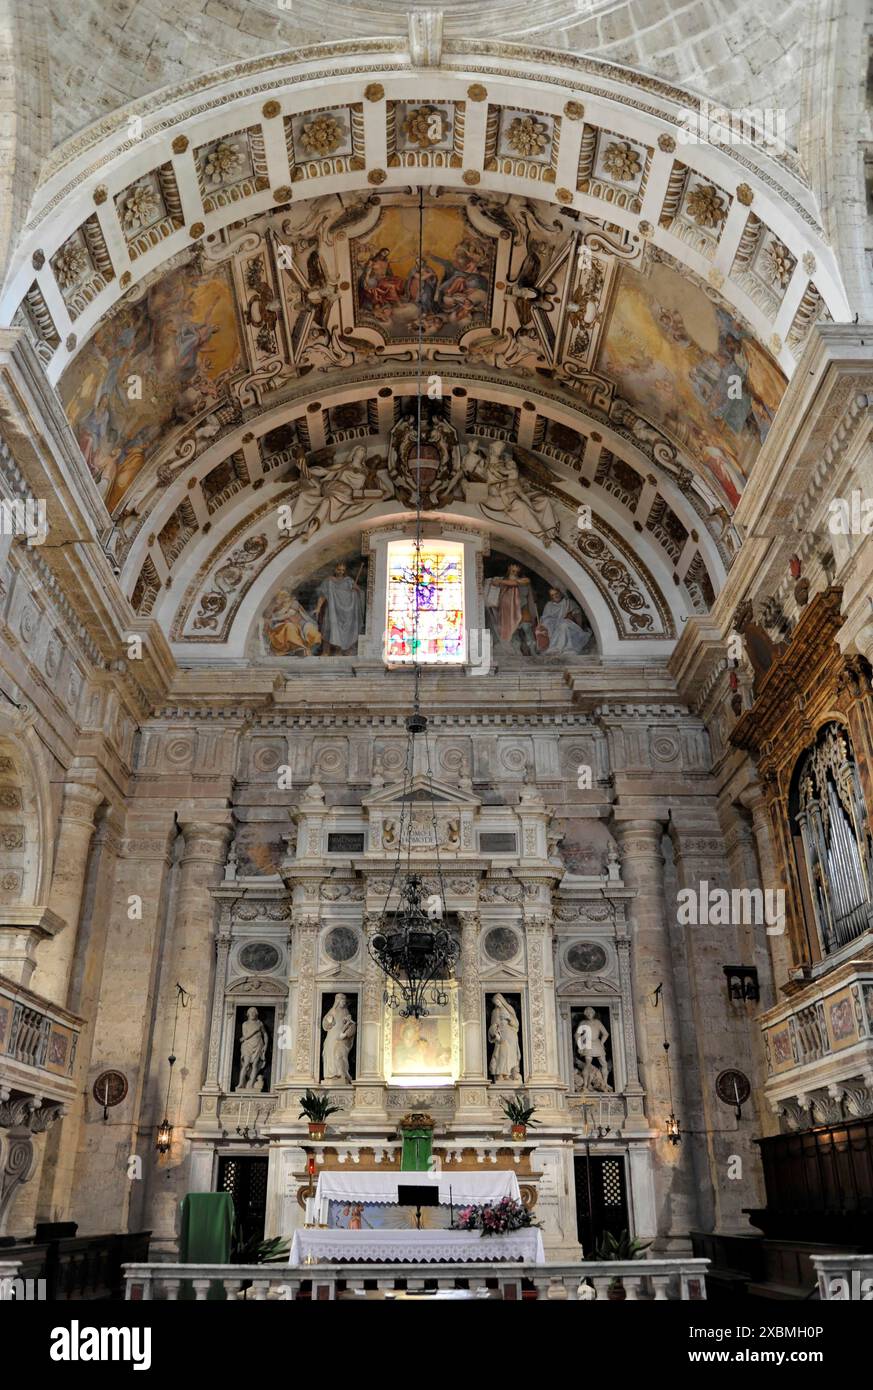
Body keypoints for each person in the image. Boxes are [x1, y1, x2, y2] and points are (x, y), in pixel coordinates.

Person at [485, 562, 538, 654]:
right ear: (509, 567)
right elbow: (493, 584)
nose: (515, 569)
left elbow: (516, 582)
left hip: (522, 607)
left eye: (517, 567)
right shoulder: (500, 580)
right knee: (511, 632)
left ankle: (532, 651)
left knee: (526, 628)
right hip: (506, 609)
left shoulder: (524, 580)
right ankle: (515, 651)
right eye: (513, 567)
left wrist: (502, 582)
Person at [315, 561, 365, 654]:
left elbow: (360, 593)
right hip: (332, 610)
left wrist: (356, 590)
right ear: (335, 569)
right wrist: (318, 608)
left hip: (346, 612)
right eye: (339, 569)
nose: (341, 572)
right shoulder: (329, 581)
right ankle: (326, 651)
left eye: (343, 570)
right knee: (328, 629)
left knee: (343, 633)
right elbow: (322, 596)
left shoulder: (349, 581)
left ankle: (339, 652)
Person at [263, 588, 322, 657]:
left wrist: (274, 619)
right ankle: (298, 648)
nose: (278, 600)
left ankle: (309, 649)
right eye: (278, 598)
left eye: (281, 597)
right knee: (289, 627)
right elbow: (266, 615)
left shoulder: (293, 603)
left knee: (310, 629)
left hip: (299, 624)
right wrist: (273, 610)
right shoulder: (276, 607)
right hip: (283, 625)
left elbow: (290, 614)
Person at [536, 587, 593, 656]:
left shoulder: (568, 602)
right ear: (551, 597)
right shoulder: (549, 605)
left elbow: (577, 614)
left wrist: (573, 616)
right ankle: (553, 648)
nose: (555, 596)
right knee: (548, 625)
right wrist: (551, 622)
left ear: (560, 593)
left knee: (564, 625)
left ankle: (566, 648)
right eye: (553, 595)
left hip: (569, 624)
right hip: (553, 625)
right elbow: (545, 617)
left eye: (556, 593)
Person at [322, 993, 356, 1083]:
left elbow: (351, 1025)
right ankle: (331, 1074)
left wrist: (347, 1029)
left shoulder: (346, 1012)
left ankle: (342, 1073)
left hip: (341, 1038)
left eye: (344, 1001)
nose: (343, 1003)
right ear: (337, 1001)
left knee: (340, 1054)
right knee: (329, 1052)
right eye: (341, 1001)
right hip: (331, 1036)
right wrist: (329, 1021)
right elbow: (325, 1025)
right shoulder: (332, 1011)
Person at [488, 994, 521, 1083]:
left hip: (510, 1033)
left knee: (511, 1054)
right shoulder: (494, 1012)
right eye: (495, 1002)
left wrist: (509, 1019)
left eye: (498, 1001)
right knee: (501, 1053)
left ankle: (508, 1074)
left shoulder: (509, 1009)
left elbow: (516, 1024)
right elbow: (492, 1025)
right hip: (500, 1034)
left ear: (501, 1001)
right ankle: (500, 1074)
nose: (497, 1003)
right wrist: (494, 1029)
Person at [236, 1007, 269, 1090]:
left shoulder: (259, 1023)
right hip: (247, 1046)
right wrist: (255, 1031)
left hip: (258, 1045)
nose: (253, 1014)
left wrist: (265, 1045)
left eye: (254, 1012)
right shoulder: (245, 1024)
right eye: (251, 1012)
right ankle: (241, 1083)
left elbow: (265, 1035)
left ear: (256, 1014)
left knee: (255, 1065)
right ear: (248, 1014)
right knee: (246, 1064)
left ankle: (251, 1084)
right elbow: (245, 1036)